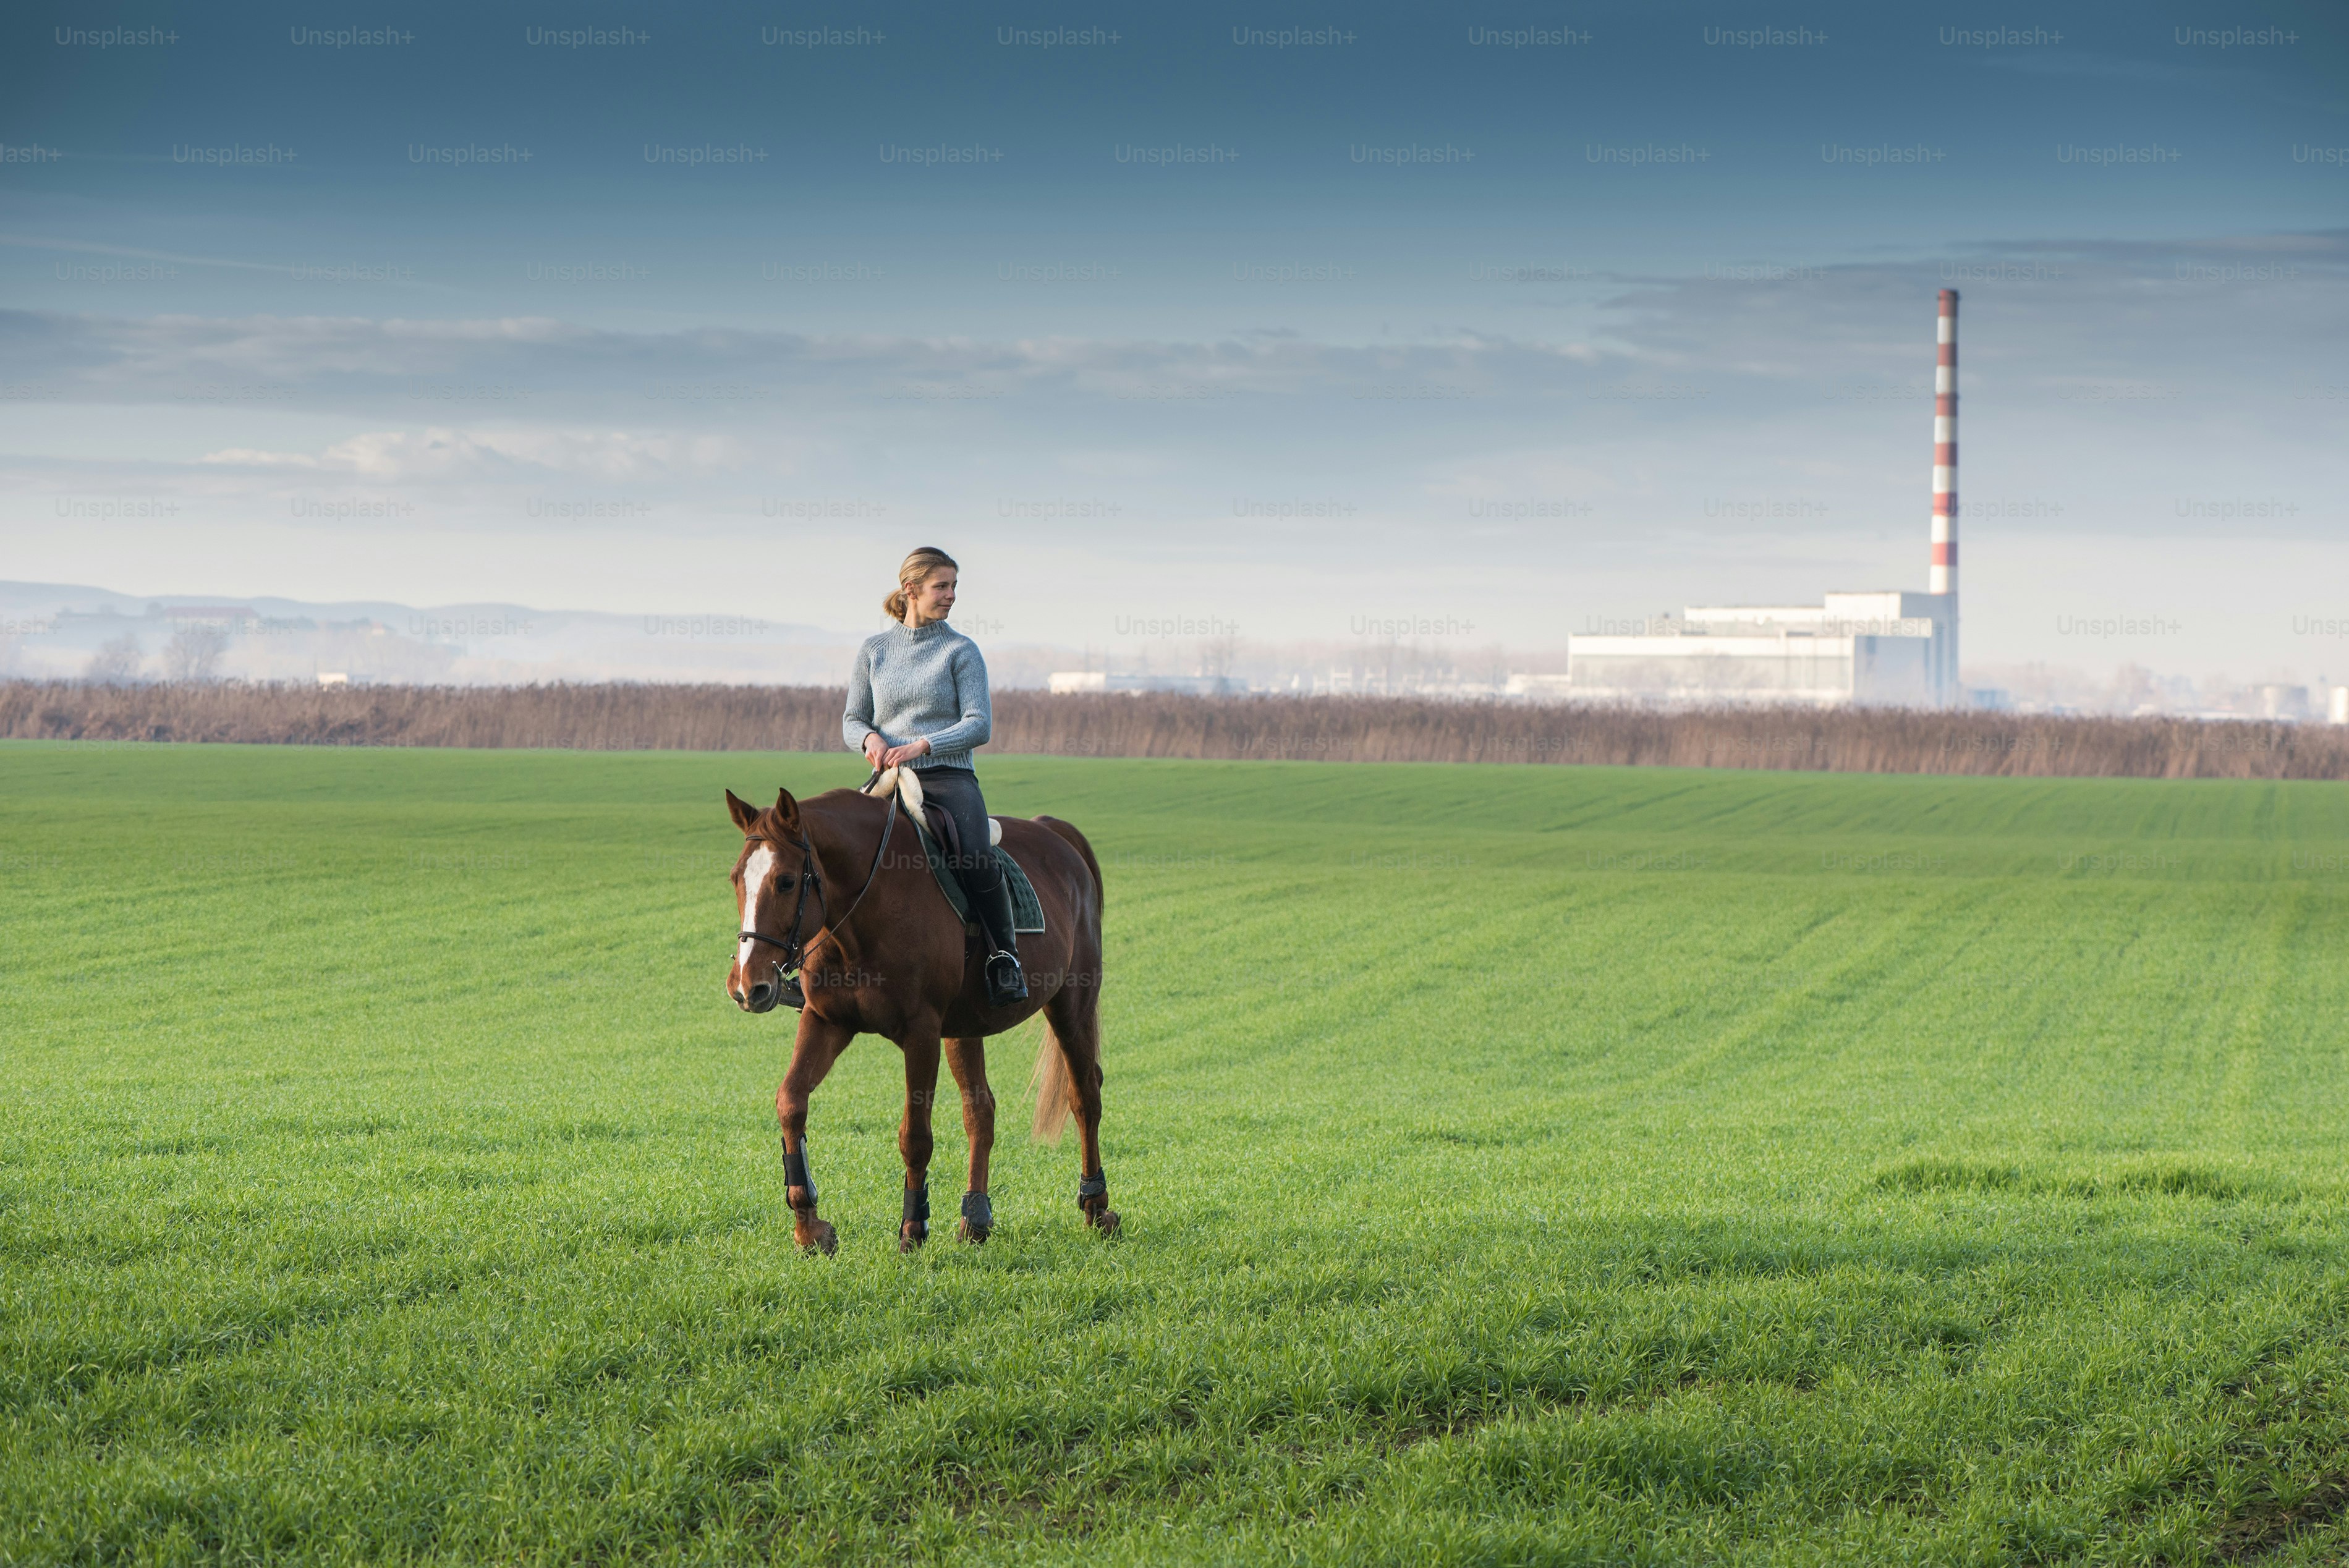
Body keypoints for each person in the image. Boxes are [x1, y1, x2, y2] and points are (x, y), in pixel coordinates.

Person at [842, 547, 1027, 1006]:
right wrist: (870, 740)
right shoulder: (873, 651)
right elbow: (853, 720)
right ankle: (811, 967)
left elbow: (978, 724)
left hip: (949, 778)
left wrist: (923, 745)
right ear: (911, 590)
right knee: (833, 854)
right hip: (888, 778)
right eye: (941, 586)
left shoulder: (961, 651)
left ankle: (1005, 957)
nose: (951, 596)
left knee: (976, 858)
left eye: (954, 587)